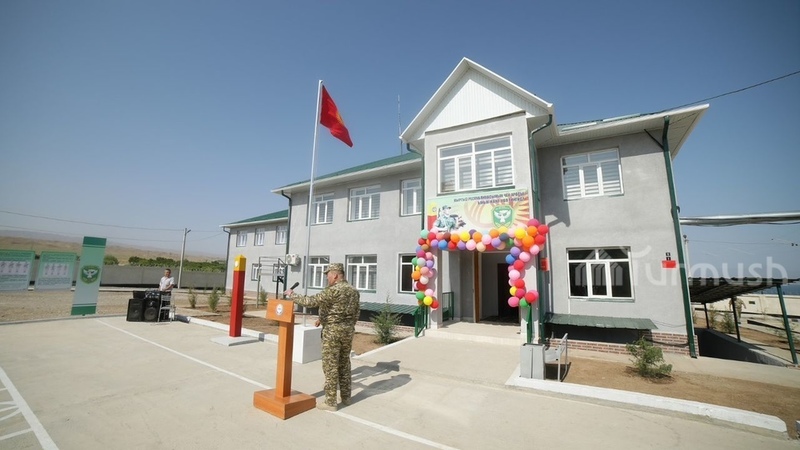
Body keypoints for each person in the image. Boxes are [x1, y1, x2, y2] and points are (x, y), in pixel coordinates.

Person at [284, 263, 360, 411]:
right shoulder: (354, 291)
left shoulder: (333, 290)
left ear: (336, 275)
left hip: (332, 332)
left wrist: (292, 295)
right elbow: (355, 313)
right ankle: (346, 397)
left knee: (330, 366)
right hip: (348, 331)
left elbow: (310, 301)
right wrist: (324, 319)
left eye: (328, 275)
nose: (327, 278)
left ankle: (330, 402)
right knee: (344, 363)